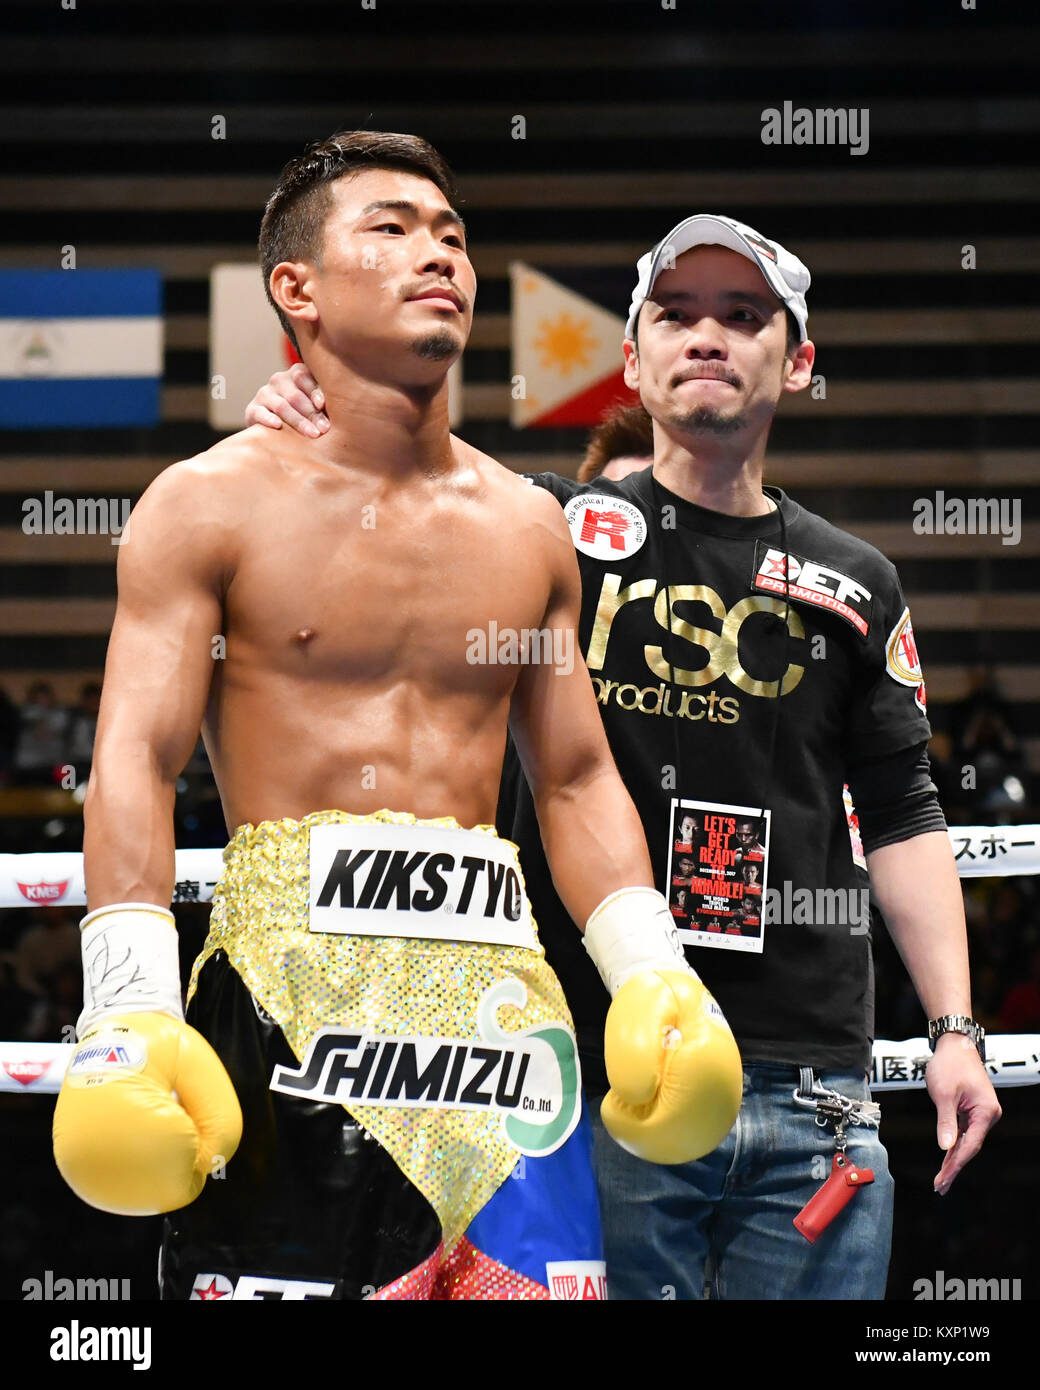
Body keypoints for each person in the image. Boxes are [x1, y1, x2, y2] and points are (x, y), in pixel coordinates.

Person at [251, 209, 1002, 1300]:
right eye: (674, 312)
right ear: (630, 355)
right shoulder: (539, 530)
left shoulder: (855, 580)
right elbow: (381, 513)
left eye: (742, 315)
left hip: (807, 1081)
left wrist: (953, 1029)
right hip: (588, 1069)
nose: (706, 333)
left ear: (794, 362)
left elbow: (899, 811)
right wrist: (304, 420)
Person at [51, 133, 742, 1302]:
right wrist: (126, 1005)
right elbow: (135, 754)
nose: (439, 254)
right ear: (296, 289)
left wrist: (652, 973)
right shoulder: (206, 503)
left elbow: (573, 777)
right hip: (290, 1000)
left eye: (453, 235)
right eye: (391, 227)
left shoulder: (528, 526)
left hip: (508, 1022)